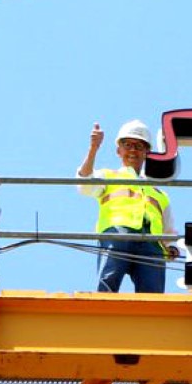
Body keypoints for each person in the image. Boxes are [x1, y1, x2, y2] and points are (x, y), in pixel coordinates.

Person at [78, 119, 179, 293]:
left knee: (153, 295)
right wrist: (93, 149)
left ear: (147, 152)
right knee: (108, 282)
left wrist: (172, 247)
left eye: (139, 146)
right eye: (128, 145)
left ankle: (150, 319)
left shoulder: (159, 194)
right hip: (118, 235)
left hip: (151, 244)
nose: (133, 150)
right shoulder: (108, 176)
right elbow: (84, 184)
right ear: (119, 150)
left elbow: (168, 229)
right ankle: (101, 313)